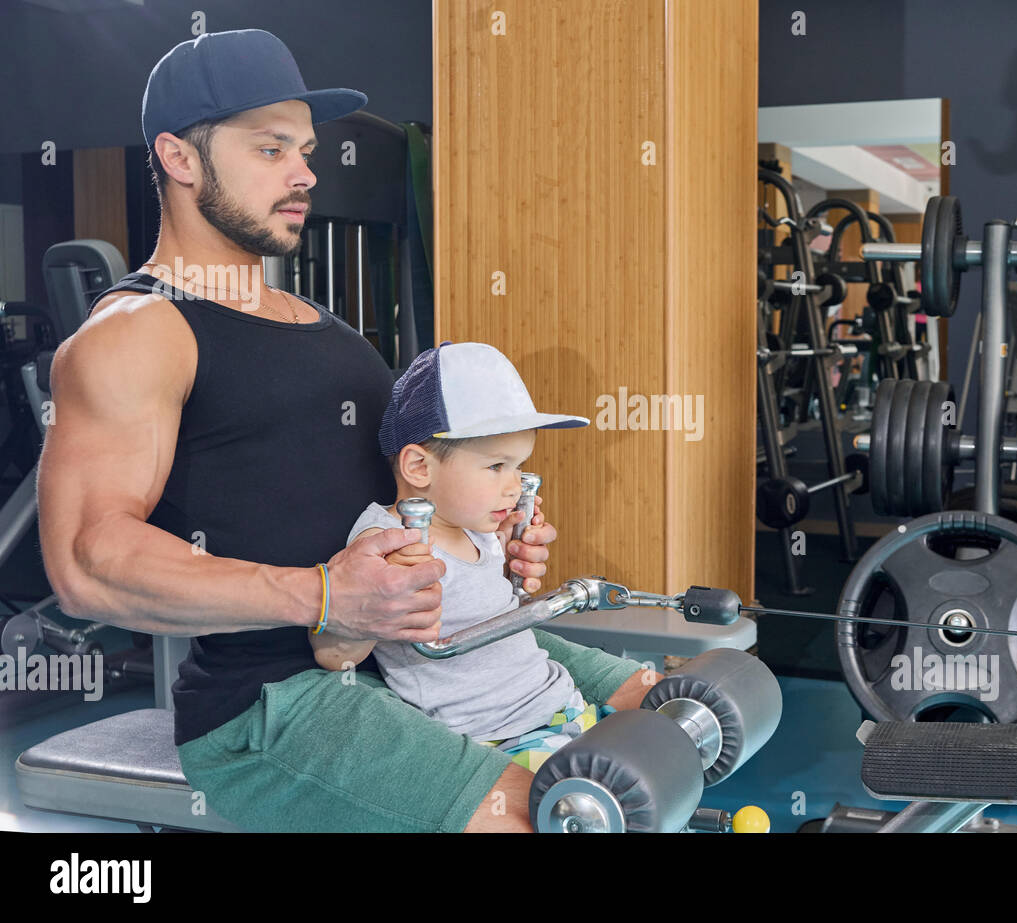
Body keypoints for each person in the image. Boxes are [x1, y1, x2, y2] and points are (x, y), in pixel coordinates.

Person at [37, 28, 660, 832]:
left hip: (410, 653)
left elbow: (400, 496)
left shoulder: (325, 330)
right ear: (180, 159)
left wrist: (479, 532)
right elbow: (89, 562)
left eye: (304, 149)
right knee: (559, 813)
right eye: (270, 149)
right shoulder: (139, 332)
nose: (304, 172)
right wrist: (324, 593)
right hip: (274, 702)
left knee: (668, 712)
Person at [311, 340, 617, 771]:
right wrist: (375, 601)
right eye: (496, 467)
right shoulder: (388, 541)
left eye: (519, 467)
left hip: (562, 707)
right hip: (497, 741)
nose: (514, 486)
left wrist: (511, 549)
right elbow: (333, 656)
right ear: (419, 467)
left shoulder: (476, 526)